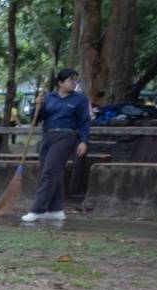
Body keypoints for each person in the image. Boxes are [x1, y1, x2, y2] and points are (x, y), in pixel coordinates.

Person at [22, 69, 91, 223]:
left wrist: (83, 141)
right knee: (50, 172)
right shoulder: (48, 97)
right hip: (48, 136)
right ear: (60, 83)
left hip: (66, 136)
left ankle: (37, 210)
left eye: (75, 80)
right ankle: (56, 210)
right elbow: (36, 119)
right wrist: (37, 105)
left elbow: (84, 122)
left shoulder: (80, 99)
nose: (74, 83)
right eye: (71, 80)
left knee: (49, 172)